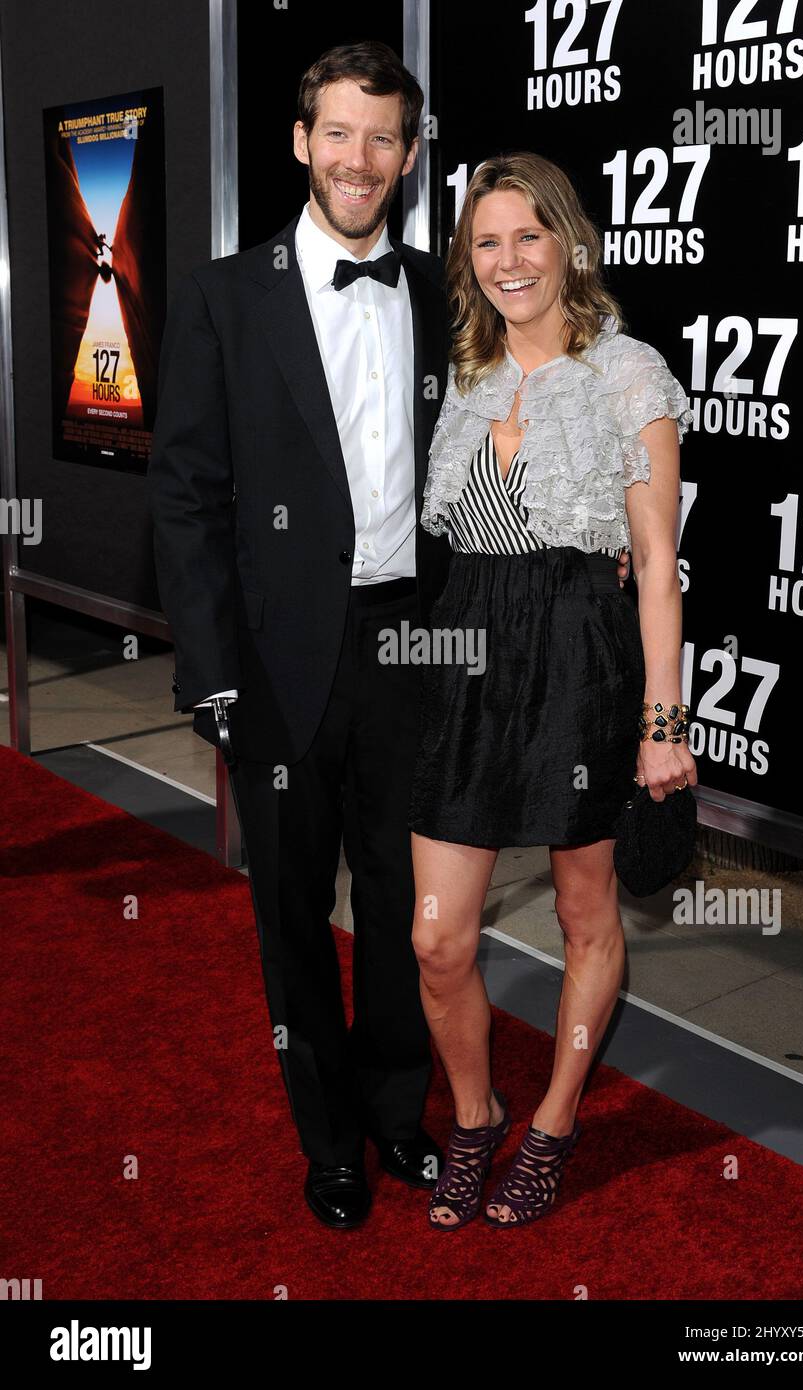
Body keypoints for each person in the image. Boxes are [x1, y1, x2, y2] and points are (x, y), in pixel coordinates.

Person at [147, 41, 459, 1230]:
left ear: (410, 154)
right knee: (291, 909)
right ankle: (326, 1140)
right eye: (338, 132)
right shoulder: (228, 295)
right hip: (277, 666)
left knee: (401, 905)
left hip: (412, 654)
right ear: (299, 142)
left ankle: (394, 1110)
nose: (359, 159)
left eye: (383, 137)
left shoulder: (441, 293)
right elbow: (182, 495)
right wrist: (210, 669)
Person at [407, 151, 698, 1231]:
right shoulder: (468, 378)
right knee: (437, 936)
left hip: (583, 654)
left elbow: (655, 566)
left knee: (586, 914)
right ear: (466, 259)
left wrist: (662, 723)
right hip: (466, 658)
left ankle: (553, 1123)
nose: (507, 259)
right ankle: (476, 1114)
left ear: (569, 244)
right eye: (486, 241)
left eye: (527, 235)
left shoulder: (628, 374)